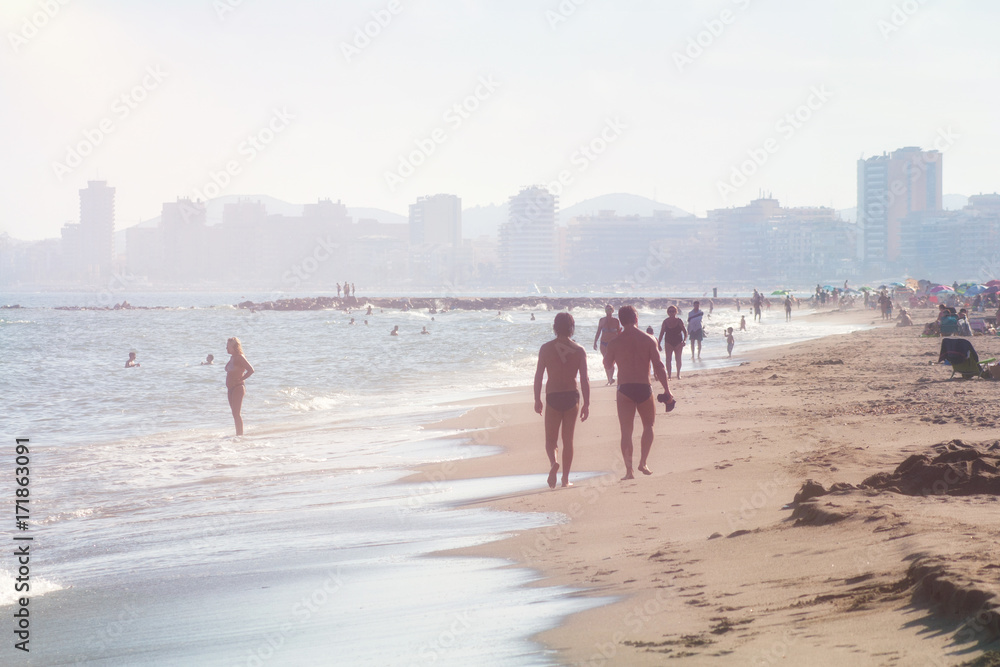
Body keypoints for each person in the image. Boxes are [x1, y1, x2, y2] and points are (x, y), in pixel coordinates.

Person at [604, 306, 673, 481]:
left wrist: (615, 360)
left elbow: (607, 364)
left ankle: (629, 471)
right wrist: (667, 390)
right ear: (636, 318)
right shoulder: (649, 340)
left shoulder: (614, 342)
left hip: (624, 389)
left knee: (626, 432)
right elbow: (659, 367)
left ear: (620, 321)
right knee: (649, 426)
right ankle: (643, 462)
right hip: (644, 387)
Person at [534, 313, 590, 488]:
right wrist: (587, 403)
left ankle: (553, 463)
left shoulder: (545, 349)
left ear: (555, 327)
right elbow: (584, 379)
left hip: (553, 396)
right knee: (568, 440)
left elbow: (538, 377)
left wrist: (537, 399)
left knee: (551, 440)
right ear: (572, 327)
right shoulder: (579, 350)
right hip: (571, 396)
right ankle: (565, 479)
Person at [225, 337, 254, 436]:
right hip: (230, 388)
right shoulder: (232, 357)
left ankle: (240, 435)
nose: (226, 348)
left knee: (237, 414)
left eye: (228, 346)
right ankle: (238, 434)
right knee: (234, 414)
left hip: (238, 387)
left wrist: (241, 379)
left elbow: (251, 370)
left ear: (234, 347)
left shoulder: (240, 357)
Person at [593, 304, 622, 385]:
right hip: (603, 343)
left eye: (609, 309)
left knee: (612, 361)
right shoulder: (602, 320)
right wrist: (595, 342)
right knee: (606, 361)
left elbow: (619, 332)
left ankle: (610, 378)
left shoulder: (616, 321)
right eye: (606, 310)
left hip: (613, 344)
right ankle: (609, 379)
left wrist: (621, 343)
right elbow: (598, 332)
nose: (608, 311)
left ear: (612, 311)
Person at [657, 305, 687, 379]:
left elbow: (685, 332)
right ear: (667, 312)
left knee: (678, 358)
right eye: (670, 311)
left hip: (678, 342)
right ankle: (669, 375)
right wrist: (658, 343)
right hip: (668, 342)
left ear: (676, 312)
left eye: (673, 311)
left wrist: (685, 341)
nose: (671, 313)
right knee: (668, 359)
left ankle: (678, 374)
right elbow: (661, 333)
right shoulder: (665, 322)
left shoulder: (679, 321)